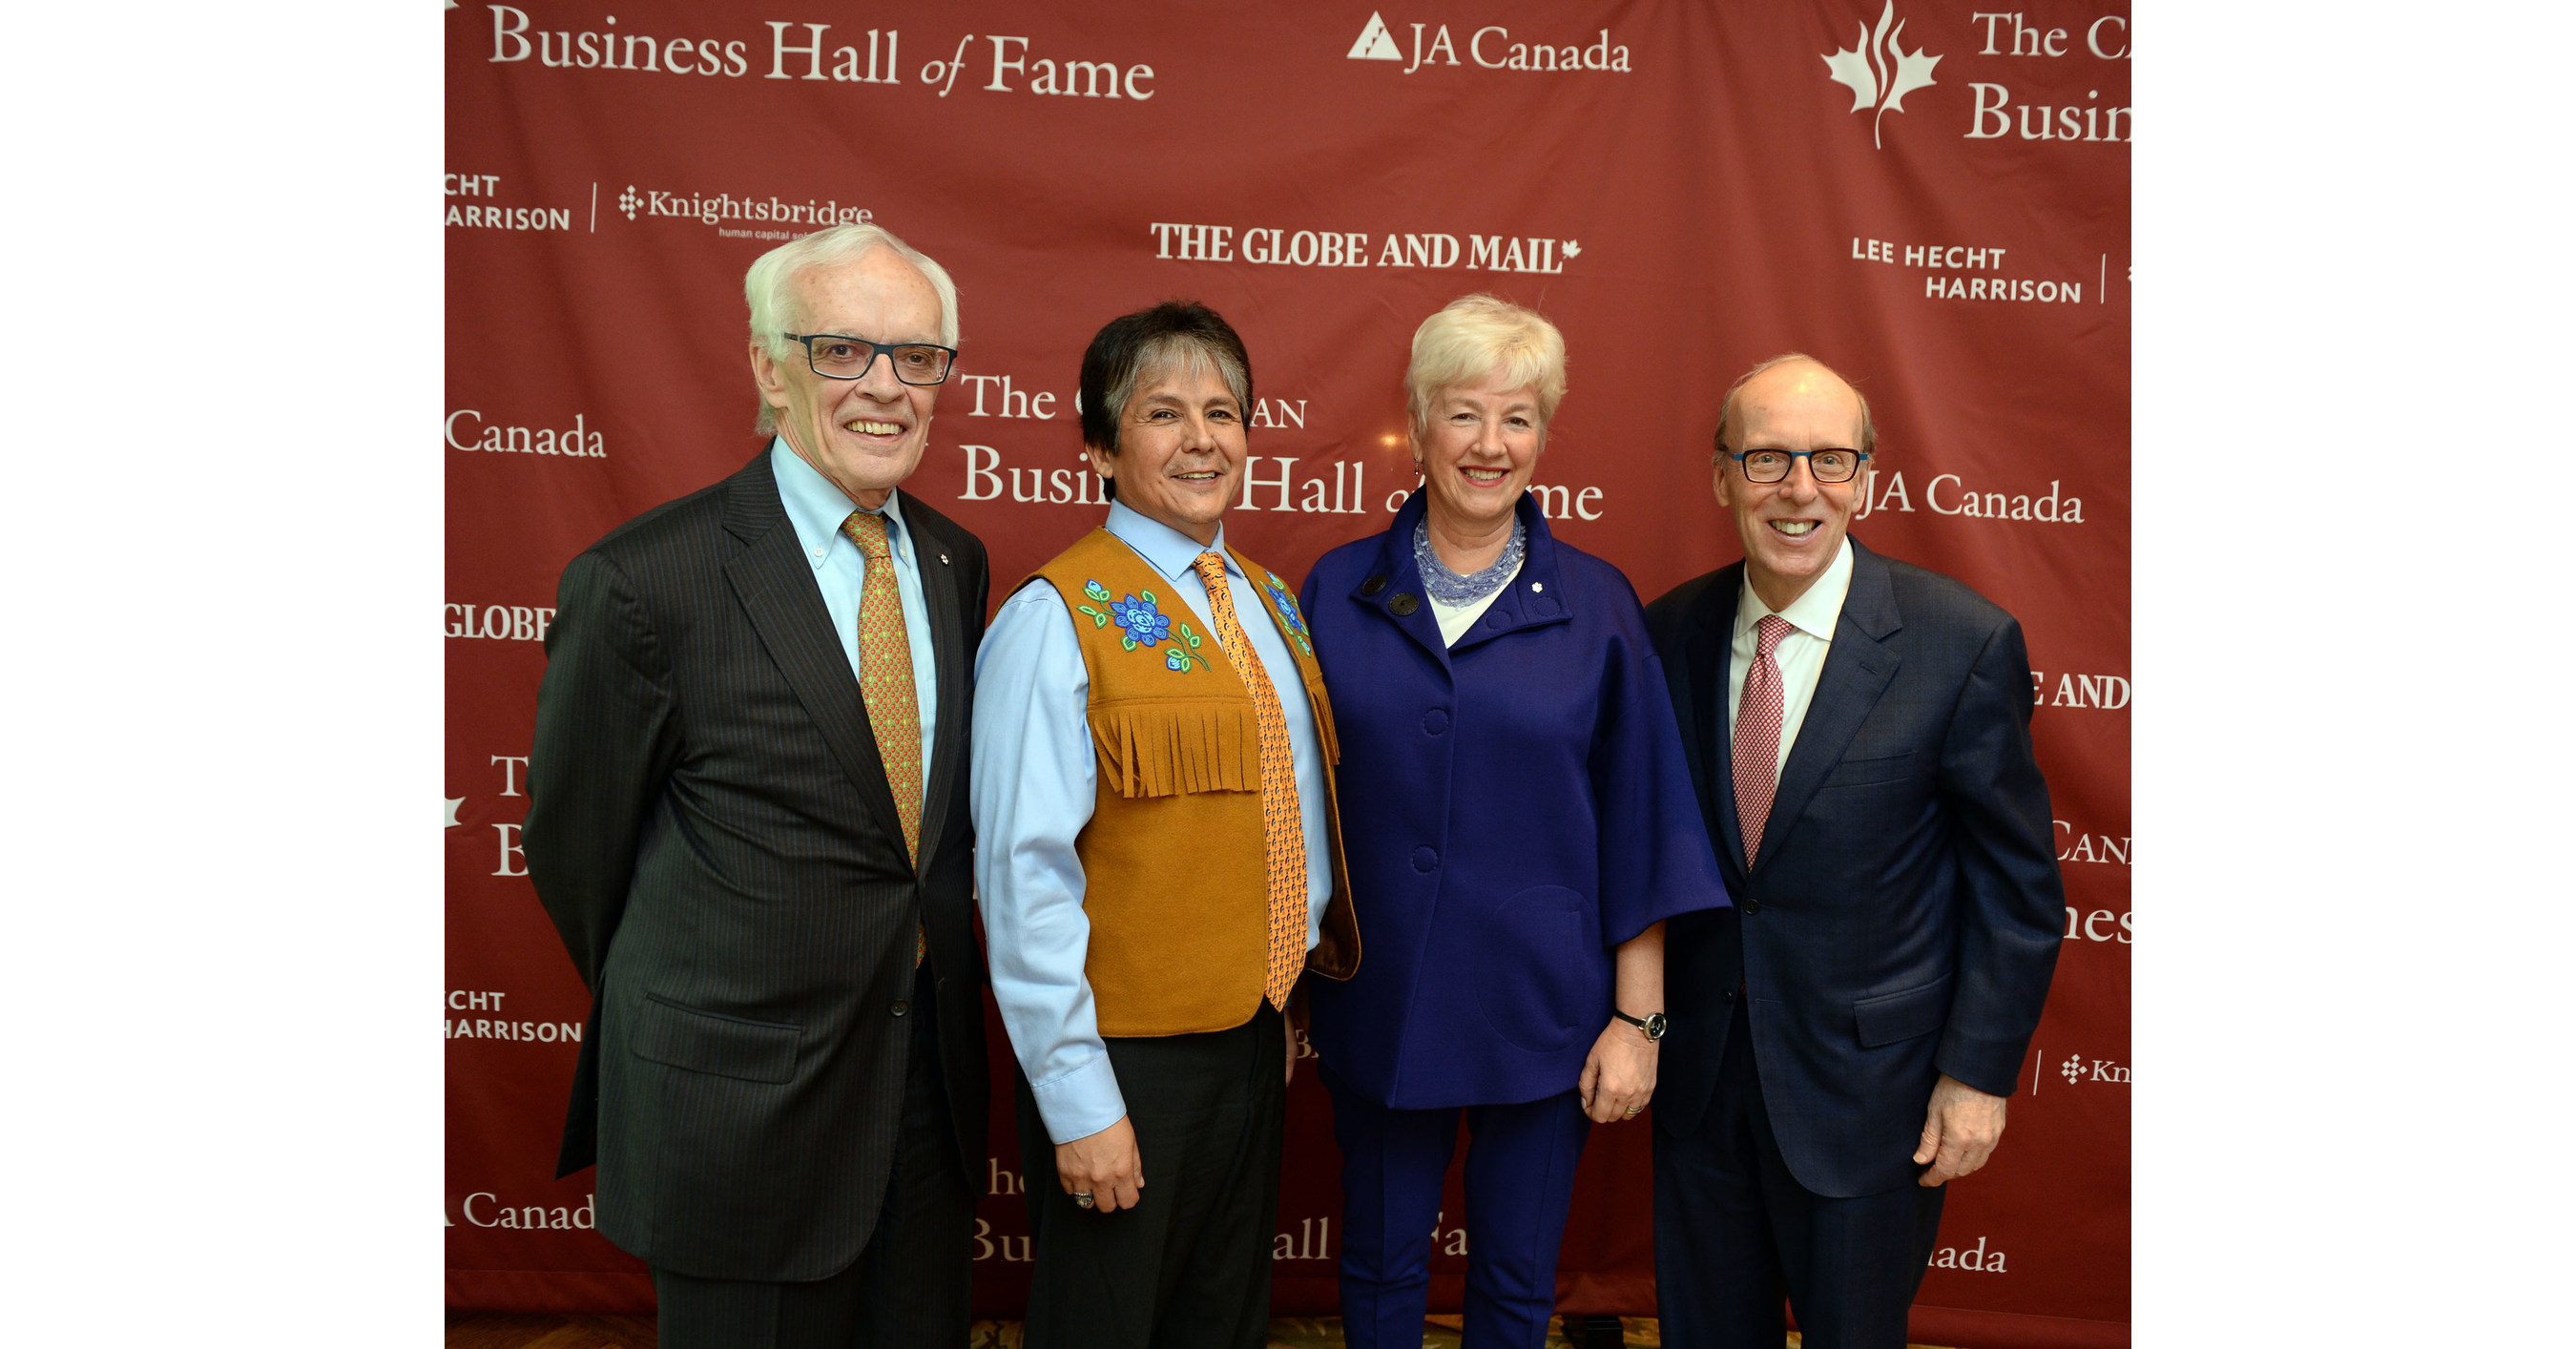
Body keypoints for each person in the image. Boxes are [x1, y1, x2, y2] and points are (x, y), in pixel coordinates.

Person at [522, 222, 991, 1349]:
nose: (886, 387)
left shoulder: (951, 561)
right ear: (767, 366)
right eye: (843, 350)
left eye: (917, 357)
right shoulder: (645, 581)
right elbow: (578, 854)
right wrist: (711, 1008)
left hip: (921, 1102)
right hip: (738, 1120)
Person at [1296, 295, 1732, 1349]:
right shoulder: (1335, 586)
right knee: (1381, 1264)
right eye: (1463, 413)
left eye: (1520, 417)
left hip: (1545, 1009)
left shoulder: (1599, 602)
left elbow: (1644, 819)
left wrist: (1639, 1021)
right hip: (1378, 997)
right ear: (1416, 422)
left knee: (1512, 1279)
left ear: (1543, 434)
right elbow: (1294, 805)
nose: (1492, 445)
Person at [1642, 354, 2065, 1349]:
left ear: (1868, 476)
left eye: (1831, 459)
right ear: (1721, 476)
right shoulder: (1668, 632)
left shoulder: (1960, 643)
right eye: (1769, 458)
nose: (1801, 489)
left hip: (1873, 1102)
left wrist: (1978, 1075)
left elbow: (2017, 895)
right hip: (1701, 1094)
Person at [970, 301, 1360, 1348]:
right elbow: (1023, 879)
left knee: (1219, 1325)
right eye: (1163, 413)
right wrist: (1078, 1098)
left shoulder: (1272, 605)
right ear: (1100, 443)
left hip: (1252, 1042)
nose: (1202, 440)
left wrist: (1278, 998)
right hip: (1123, 1063)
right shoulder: (1054, 617)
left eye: (1223, 412)